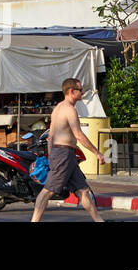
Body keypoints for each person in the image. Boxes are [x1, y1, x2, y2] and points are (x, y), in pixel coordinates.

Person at [31, 78, 104, 223]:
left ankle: (99, 220)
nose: (82, 92)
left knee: (83, 190)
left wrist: (52, 155)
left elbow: (50, 136)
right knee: (48, 191)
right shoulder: (70, 110)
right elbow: (78, 134)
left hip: (65, 155)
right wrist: (97, 152)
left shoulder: (58, 108)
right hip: (64, 154)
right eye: (80, 90)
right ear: (71, 91)